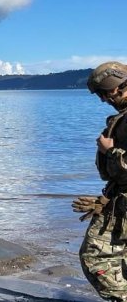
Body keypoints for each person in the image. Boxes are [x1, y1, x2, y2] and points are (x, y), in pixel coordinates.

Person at [75, 62, 127, 300]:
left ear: (118, 86)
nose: (104, 99)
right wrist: (105, 199)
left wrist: (110, 151)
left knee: (95, 256)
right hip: (119, 200)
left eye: (105, 94)